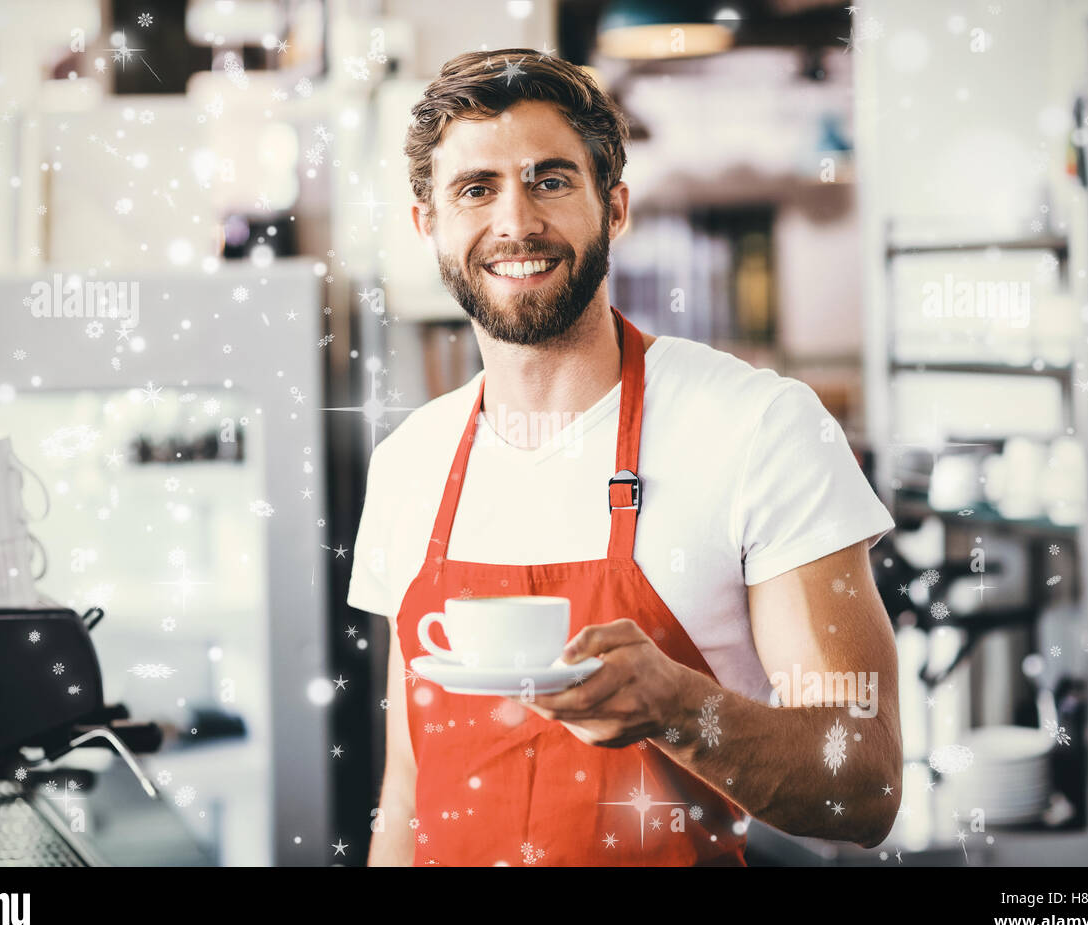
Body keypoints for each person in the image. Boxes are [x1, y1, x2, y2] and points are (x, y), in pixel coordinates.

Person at [347, 49, 901, 866]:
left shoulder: (759, 429)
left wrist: (682, 709)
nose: (516, 222)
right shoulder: (407, 465)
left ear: (614, 207)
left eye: (551, 180)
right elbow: (406, 794)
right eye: (476, 189)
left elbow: (864, 780)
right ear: (428, 223)